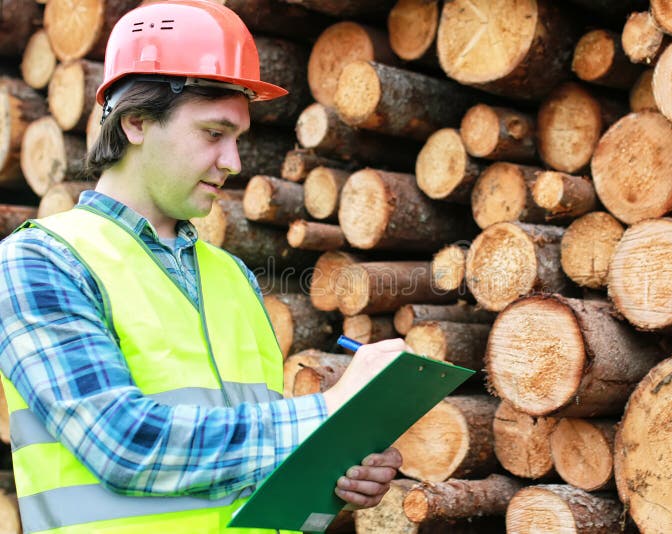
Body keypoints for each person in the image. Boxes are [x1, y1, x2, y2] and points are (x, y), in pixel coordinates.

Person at [0, 1, 405, 532]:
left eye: (238, 139)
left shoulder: (231, 274)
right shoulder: (41, 260)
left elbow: (249, 454)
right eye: (214, 134)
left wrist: (336, 468)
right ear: (137, 121)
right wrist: (326, 414)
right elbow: (124, 445)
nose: (233, 163)